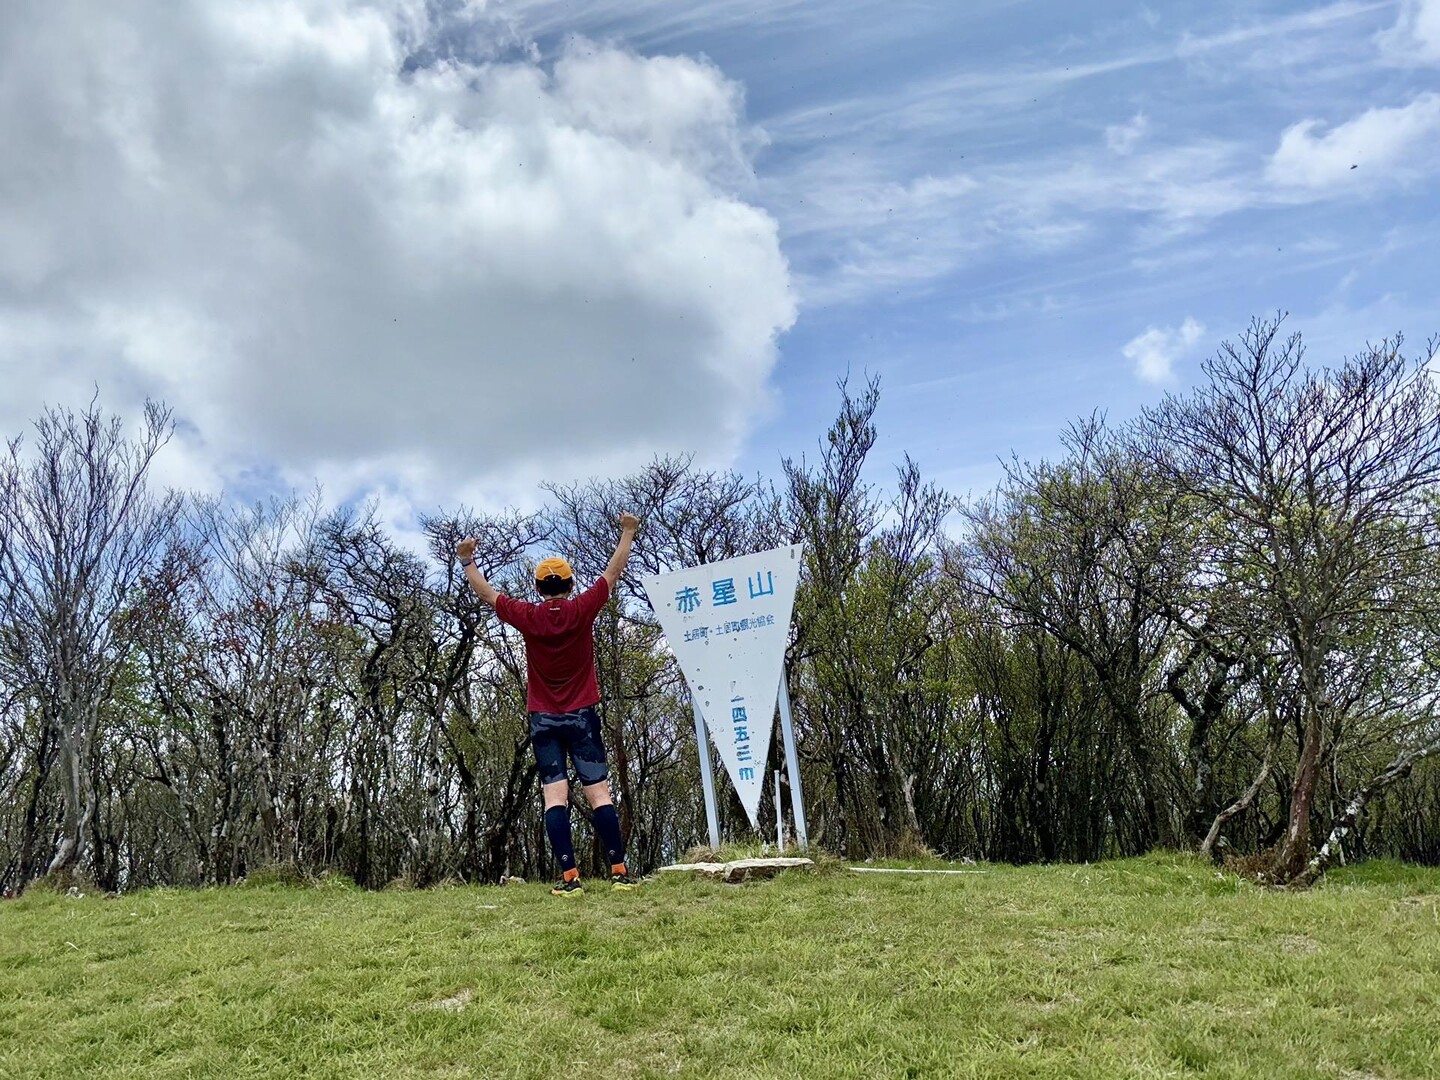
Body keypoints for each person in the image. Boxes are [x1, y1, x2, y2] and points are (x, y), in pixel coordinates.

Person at [455, 513, 640, 895]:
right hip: (582, 714)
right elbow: (612, 572)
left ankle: (570, 879)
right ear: (570, 585)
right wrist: (628, 532)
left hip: (543, 719)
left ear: (539, 588)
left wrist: (467, 560)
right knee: (599, 793)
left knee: (554, 797)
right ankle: (620, 873)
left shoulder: (528, 616)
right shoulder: (581, 608)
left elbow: (487, 594)